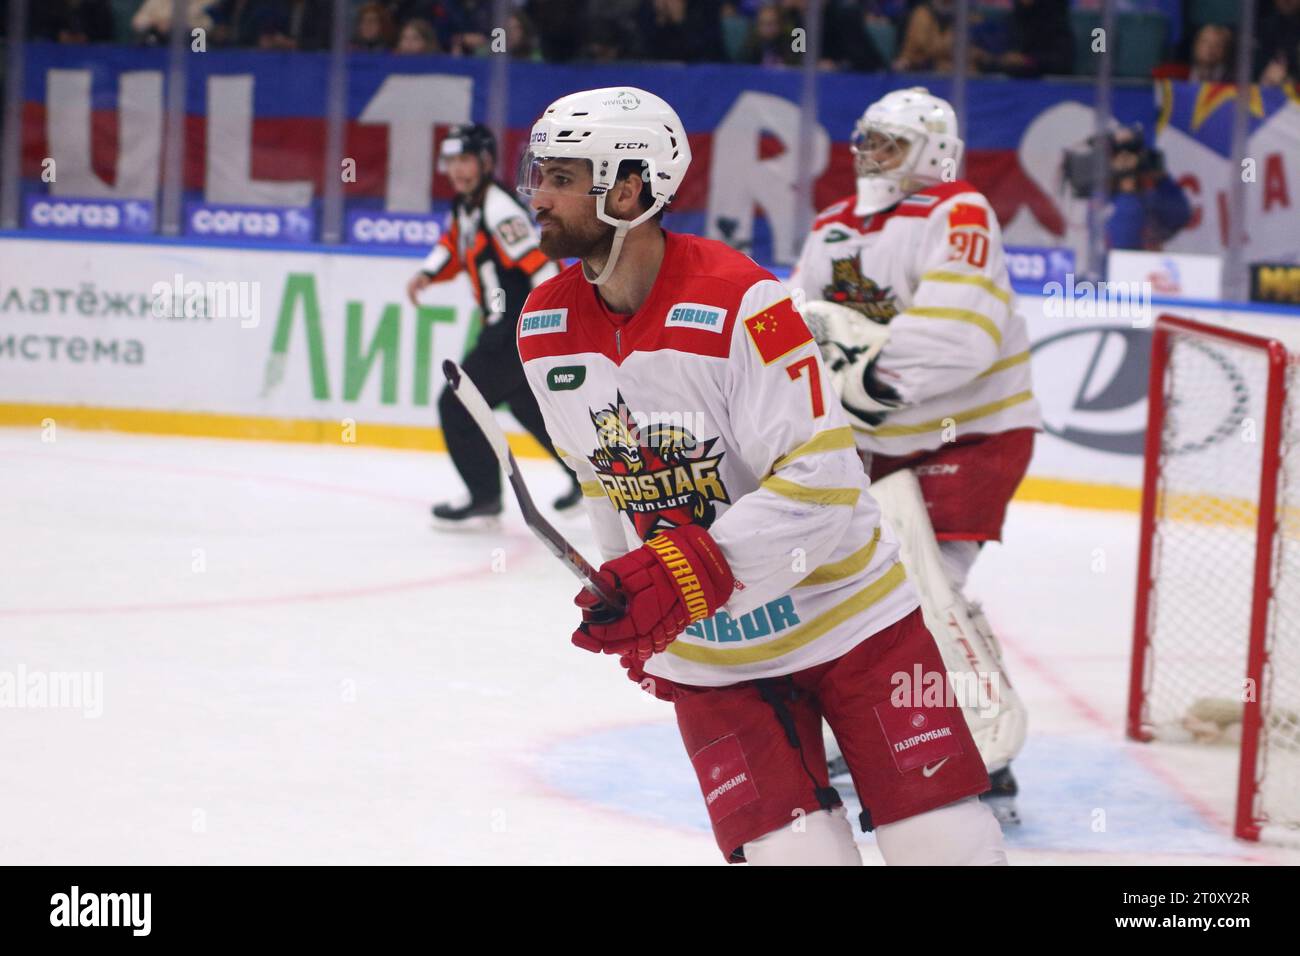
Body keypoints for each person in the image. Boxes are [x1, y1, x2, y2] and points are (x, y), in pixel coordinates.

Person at [514, 86, 1007, 865]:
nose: (535, 196)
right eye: (537, 173)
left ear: (629, 187)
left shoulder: (745, 302)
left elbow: (821, 479)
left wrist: (683, 572)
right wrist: (642, 618)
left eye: (560, 178)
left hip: (853, 619)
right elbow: (604, 479)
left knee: (944, 846)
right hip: (714, 655)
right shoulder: (542, 327)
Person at [790, 87, 1041, 824]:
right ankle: (940, 736)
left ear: (934, 151)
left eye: (889, 143)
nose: (870, 156)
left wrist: (858, 389)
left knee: (930, 595)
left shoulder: (957, 212)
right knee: (883, 596)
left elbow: (958, 335)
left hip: (970, 436)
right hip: (879, 444)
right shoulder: (833, 225)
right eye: (866, 141)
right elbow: (800, 321)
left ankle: (974, 751)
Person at [408, 124, 579, 525]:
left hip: (511, 329)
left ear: (485, 162)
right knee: (527, 407)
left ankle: (485, 496)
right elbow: (454, 242)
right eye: (451, 161)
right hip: (504, 328)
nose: (457, 170)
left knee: (455, 404)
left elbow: (542, 264)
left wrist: (552, 323)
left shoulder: (498, 207)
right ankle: (590, 481)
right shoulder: (467, 204)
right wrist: (427, 273)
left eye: (465, 160)